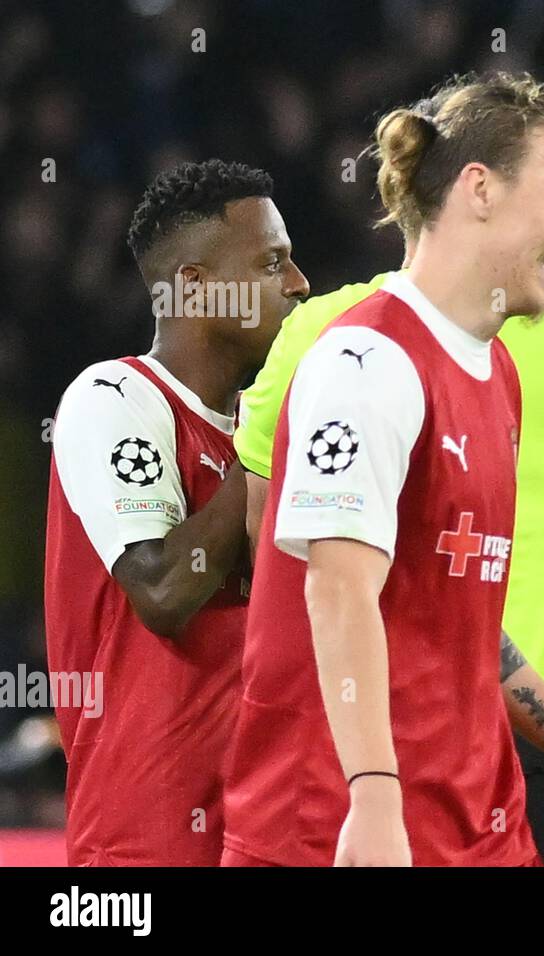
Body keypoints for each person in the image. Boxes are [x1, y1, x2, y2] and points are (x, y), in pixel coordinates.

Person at [220, 72, 544, 867]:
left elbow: (465, 625)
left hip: (474, 819)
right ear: (479, 189)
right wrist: (372, 797)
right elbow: (336, 594)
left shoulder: (495, 371)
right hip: (341, 827)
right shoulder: (364, 362)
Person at [44, 159, 309, 864]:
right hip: (145, 838)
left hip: (268, 827)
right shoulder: (114, 397)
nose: (299, 285)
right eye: (272, 263)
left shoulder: (272, 434)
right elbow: (162, 590)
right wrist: (261, 443)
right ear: (194, 287)